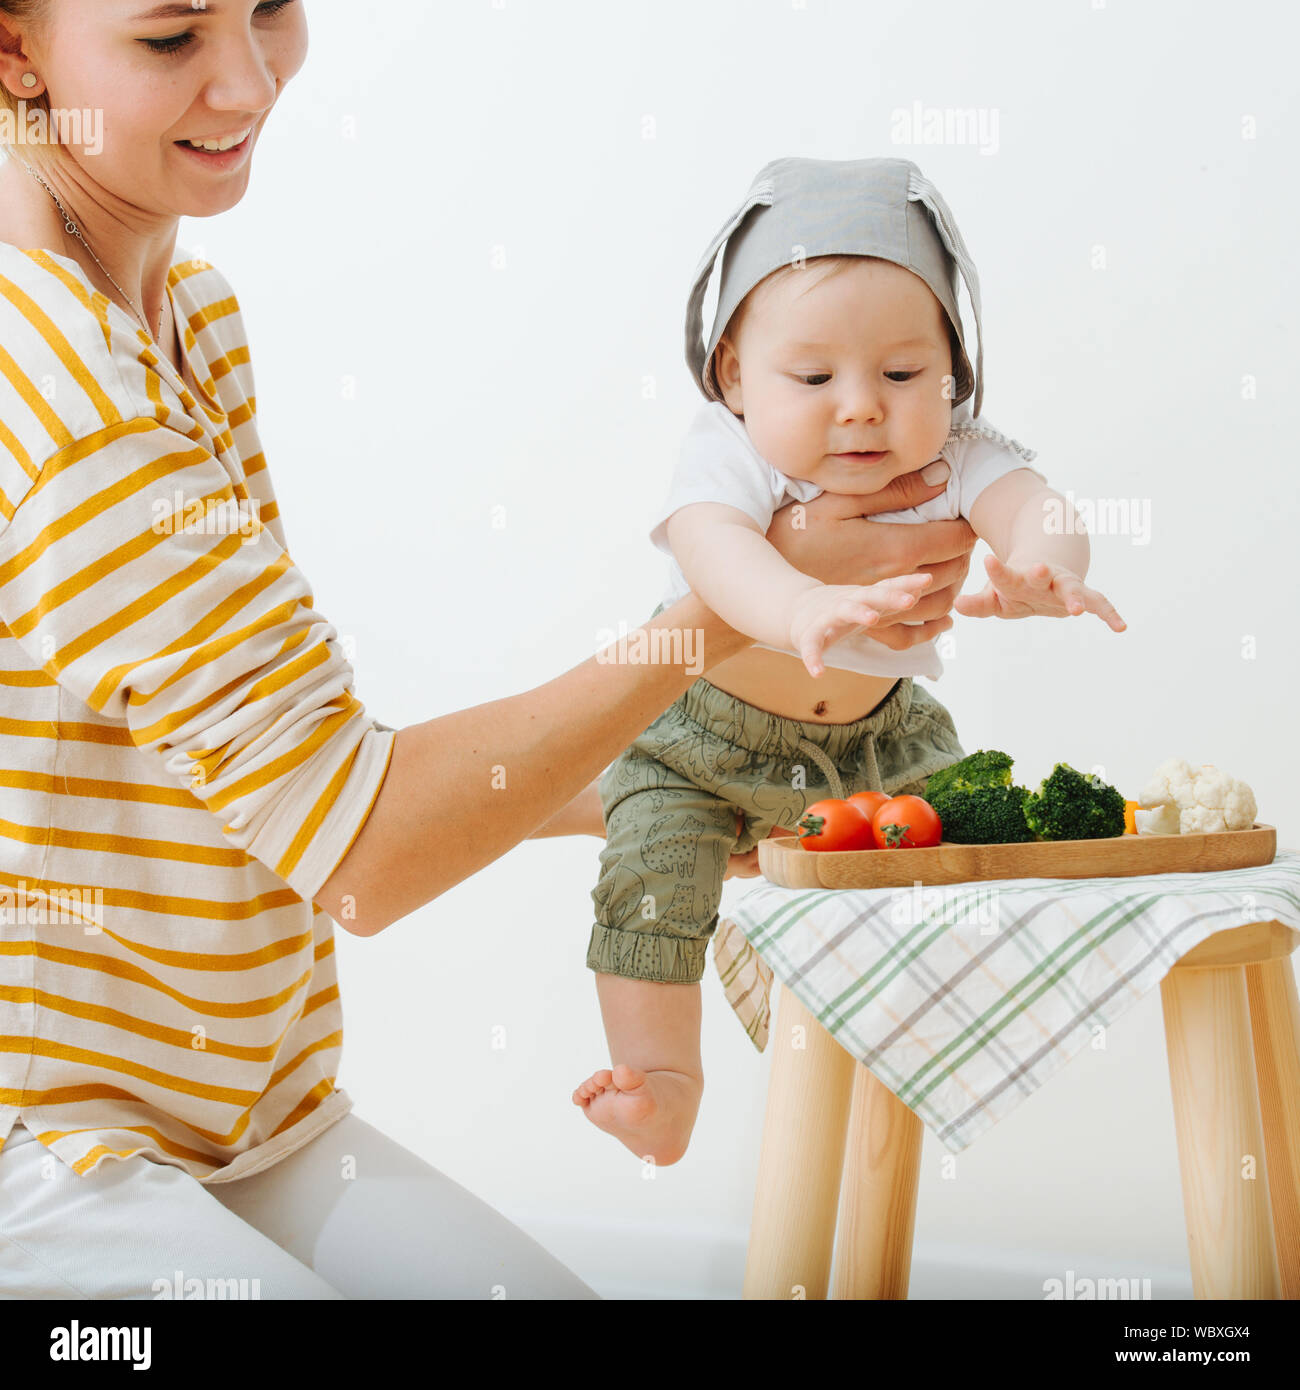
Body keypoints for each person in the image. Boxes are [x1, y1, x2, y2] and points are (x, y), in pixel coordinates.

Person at [0, 4, 978, 1297]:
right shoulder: (70, 403)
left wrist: (655, 792)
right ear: (15, 52)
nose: (246, 80)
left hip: (233, 1112)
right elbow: (366, 851)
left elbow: (279, 776)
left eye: (271, 8)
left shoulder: (189, 316)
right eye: (173, 36)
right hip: (44, 1152)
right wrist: (727, 611)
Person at [573, 156, 1128, 1167]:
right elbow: (712, 548)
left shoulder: (953, 449)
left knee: (967, 862)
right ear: (736, 374)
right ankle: (662, 1081)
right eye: (814, 376)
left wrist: (1045, 566)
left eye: (903, 373)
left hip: (881, 739)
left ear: (952, 373)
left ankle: (897, 1037)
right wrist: (800, 598)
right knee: (651, 881)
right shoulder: (728, 450)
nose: (862, 406)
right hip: (697, 741)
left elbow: (1030, 501)